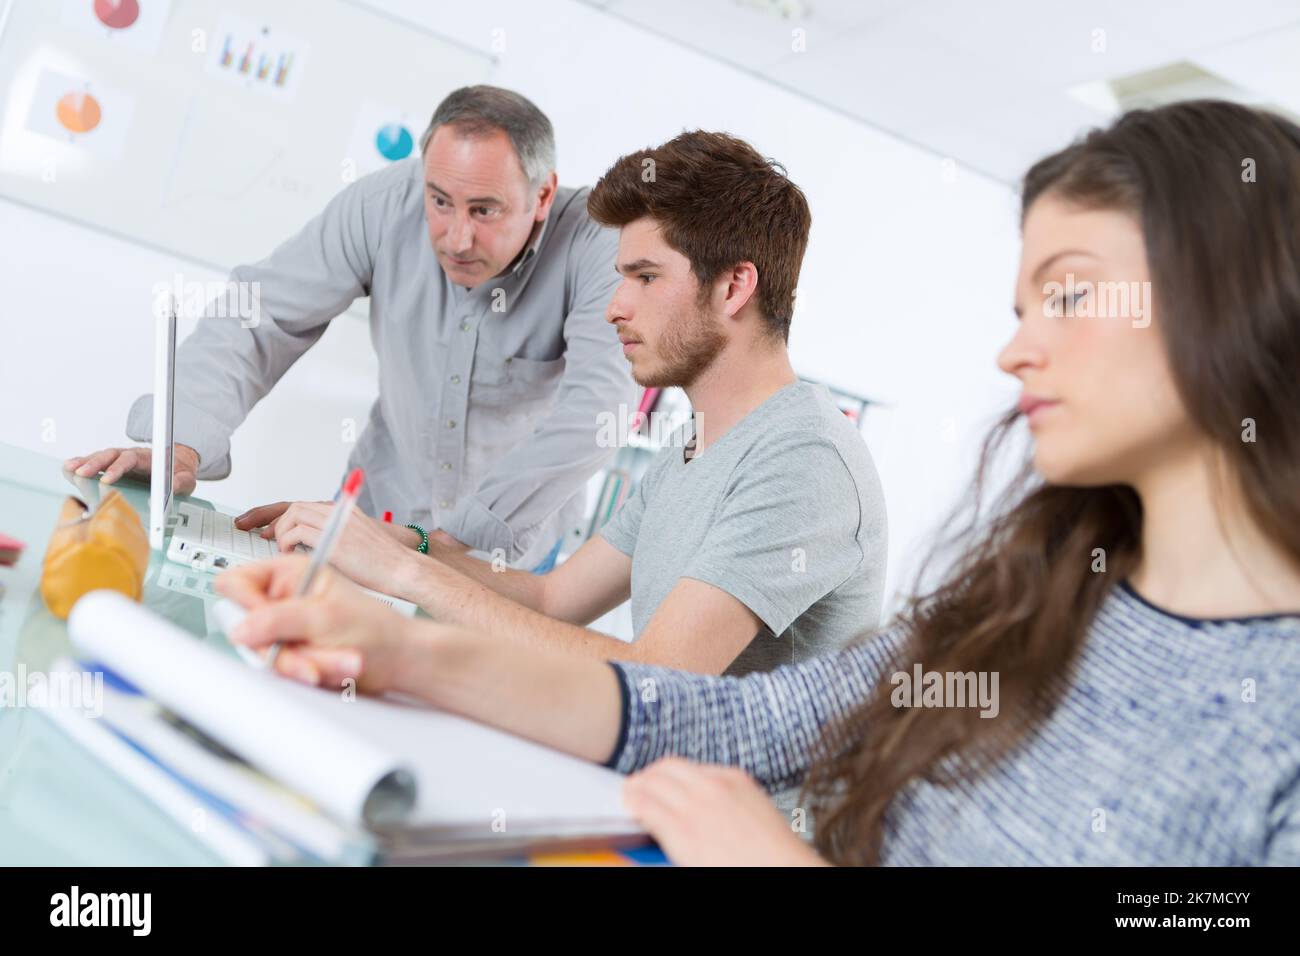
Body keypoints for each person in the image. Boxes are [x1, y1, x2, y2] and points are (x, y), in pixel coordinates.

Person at [221, 100, 1300, 865]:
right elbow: (721, 718)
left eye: (1066, 297)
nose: (1013, 352)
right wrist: (392, 639)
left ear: (1231, 297)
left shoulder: (805, 463)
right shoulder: (1027, 593)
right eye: (1019, 309)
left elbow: (665, 681)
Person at [261, 130, 888, 676]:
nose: (615, 305)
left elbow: (655, 677)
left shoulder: (804, 460)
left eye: (644, 277)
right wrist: (397, 544)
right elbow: (550, 599)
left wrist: (403, 576)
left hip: (729, 813)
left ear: (733, 287)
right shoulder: (694, 446)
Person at [64, 85, 636, 570]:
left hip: (507, 547)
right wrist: (180, 442)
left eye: (484, 210)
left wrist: (449, 543)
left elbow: (596, 410)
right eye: (440, 201)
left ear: (541, 196)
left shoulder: (599, 246)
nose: (457, 238)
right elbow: (261, 312)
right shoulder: (384, 205)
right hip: (376, 510)